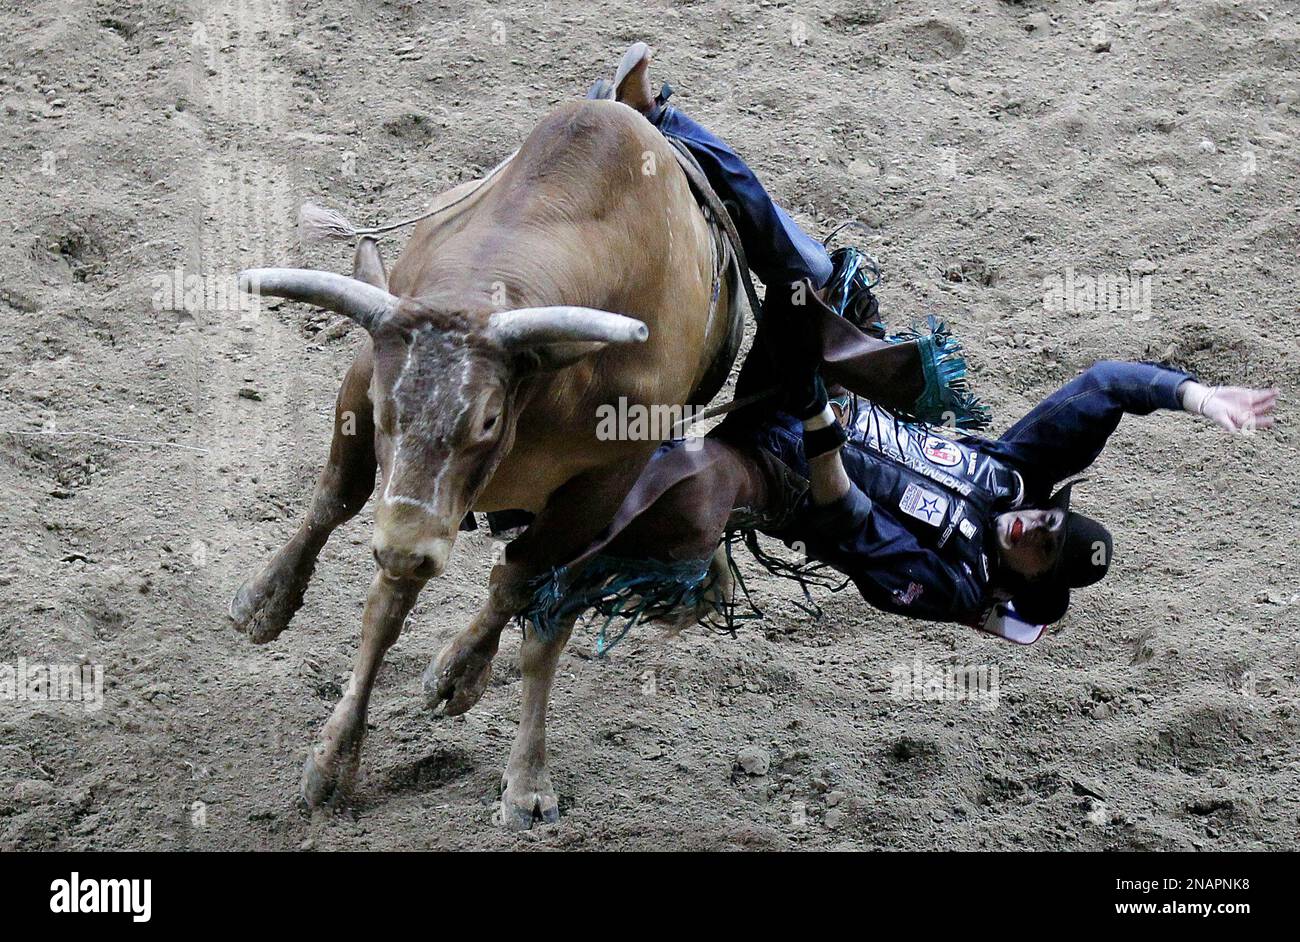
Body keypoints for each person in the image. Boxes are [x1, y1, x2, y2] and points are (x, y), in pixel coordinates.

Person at [524, 47, 1279, 645]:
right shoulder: (1016, 483)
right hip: (823, 400)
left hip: (788, 473)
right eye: (1050, 521)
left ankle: (530, 501)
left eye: (1040, 546)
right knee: (814, 273)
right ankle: (658, 120)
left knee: (670, 479)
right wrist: (1200, 396)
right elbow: (1108, 385)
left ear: (1025, 580)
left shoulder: (950, 584)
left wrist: (819, 428)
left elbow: (849, 521)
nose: (1031, 526)